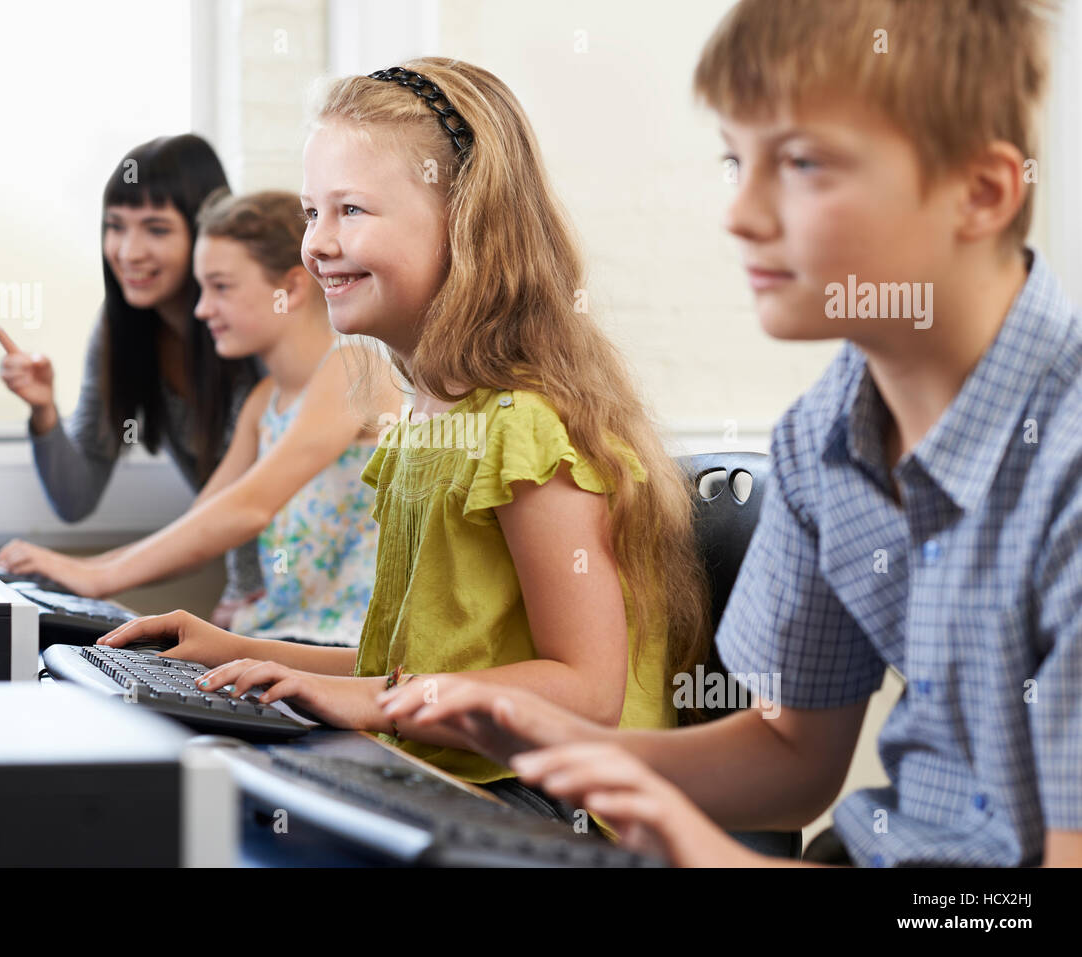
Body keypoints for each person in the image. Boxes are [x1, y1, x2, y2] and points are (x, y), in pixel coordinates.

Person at [380, 0, 1082, 867]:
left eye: (800, 164)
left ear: (979, 193)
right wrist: (556, 751)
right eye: (734, 161)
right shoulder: (824, 438)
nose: (740, 215)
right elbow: (792, 759)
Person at [97, 58, 710, 819]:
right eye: (310, 211)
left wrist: (379, 699)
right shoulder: (424, 419)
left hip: (551, 805)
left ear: (468, 224)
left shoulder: (524, 426)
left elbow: (588, 690)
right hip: (463, 774)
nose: (316, 243)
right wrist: (241, 652)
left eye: (350, 210)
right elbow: (416, 666)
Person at [0, 190, 397, 647]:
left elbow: (249, 507)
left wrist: (97, 579)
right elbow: (201, 522)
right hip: (281, 636)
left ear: (291, 287)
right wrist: (85, 570)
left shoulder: (351, 368)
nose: (202, 308)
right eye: (202, 288)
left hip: (348, 650)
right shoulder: (263, 402)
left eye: (221, 287)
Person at [0, 134, 262, 623]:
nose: (128, 251)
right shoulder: (121, 331)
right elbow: (76, 500)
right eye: (115, 227)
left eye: (156, 229)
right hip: (251, 605)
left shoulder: (258, 326)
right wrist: (44, 411)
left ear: (209, 233)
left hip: (304, 604)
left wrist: (90, 572)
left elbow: (241, 505)